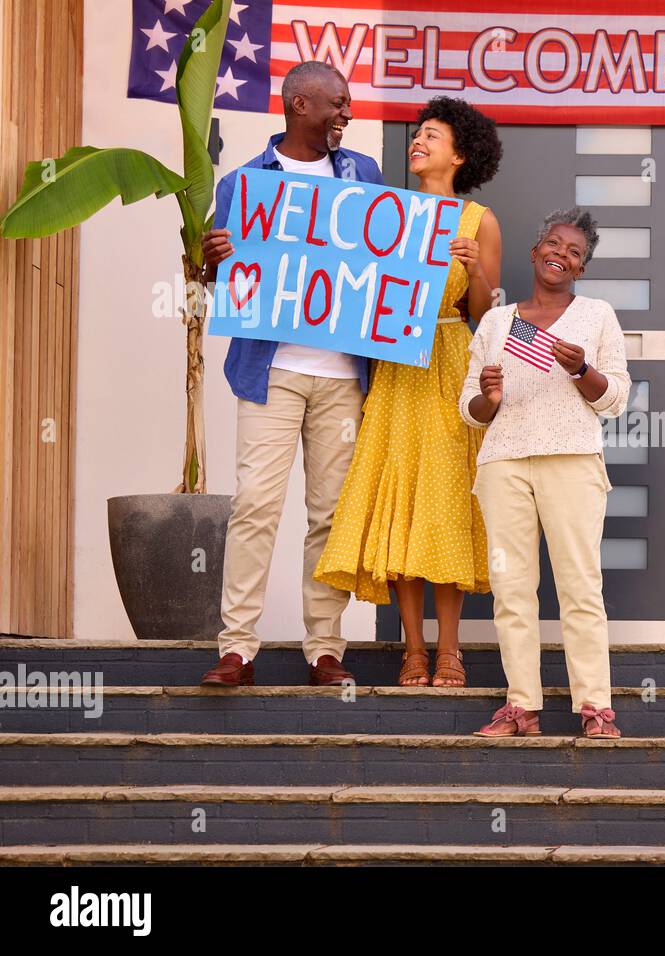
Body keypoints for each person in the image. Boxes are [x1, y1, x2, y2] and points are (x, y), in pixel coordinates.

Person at [199, 62, 382, 688]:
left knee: (329, 513)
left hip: (341, 377)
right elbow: (220, 282)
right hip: (270, 370)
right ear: (299, 103)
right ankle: (238, 649)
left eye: (349, 105)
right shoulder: (245, 184)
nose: (347, 114)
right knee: (255, 505)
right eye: (337, 104)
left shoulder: (364, 176)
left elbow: (385, 268)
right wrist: (209, 261)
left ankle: (324, 647)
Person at [314, 98, 503, 688]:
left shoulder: (478, 221)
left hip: (447, 363)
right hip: (395, 372)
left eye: (431, 135)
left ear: (459, 154)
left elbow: (482, 314)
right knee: (400, 505)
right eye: (417, 134)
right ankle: (413, 651)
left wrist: (474, 270)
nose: (418, 143)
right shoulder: (384, 213)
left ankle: (451, 650)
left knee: (444, 505)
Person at [459, 209, 630, 738]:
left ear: (581, 269)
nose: (561, 253)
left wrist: (581, 369)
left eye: (574, 252)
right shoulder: (497, 321)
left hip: (572, 462)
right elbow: (469, 408)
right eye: (553, 244)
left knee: (580, 587)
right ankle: (521, 707)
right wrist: (488, 399)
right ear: (535, 254)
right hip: (504, 463)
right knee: (512, 590)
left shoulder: (597, 316)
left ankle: (595, 708)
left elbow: (616, 400)